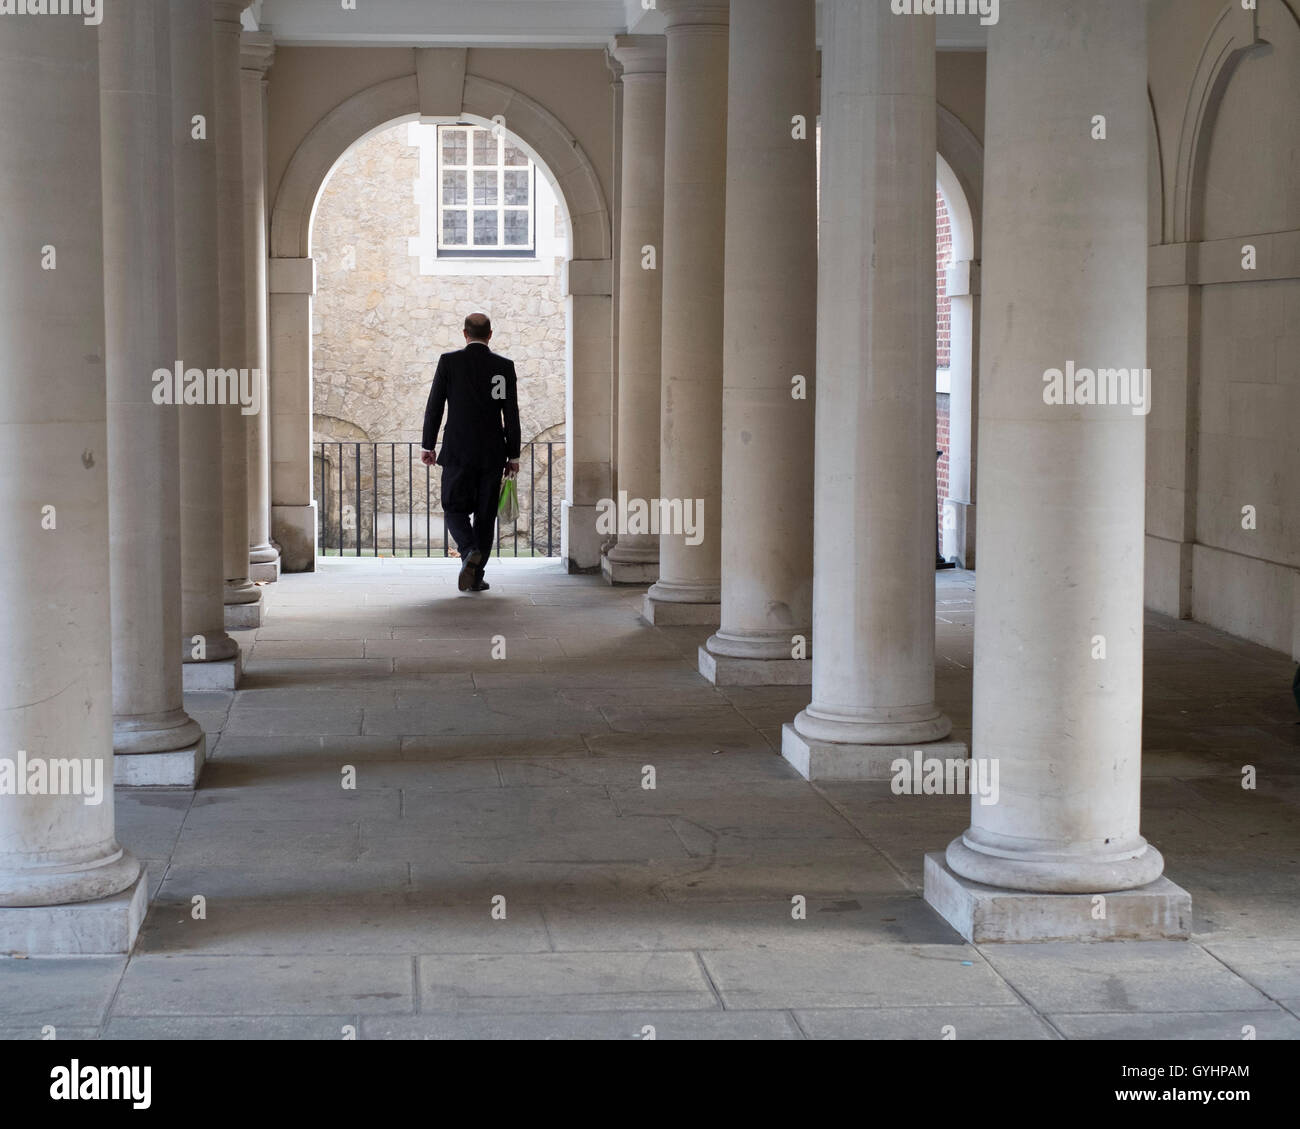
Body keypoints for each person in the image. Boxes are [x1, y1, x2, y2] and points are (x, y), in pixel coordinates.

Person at [420, 313, 521, 592]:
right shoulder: (503, 367)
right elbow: (510, 414)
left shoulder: (450, 362)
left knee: (454, 507)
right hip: (492, 452)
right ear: (490, 335)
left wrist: (428, 445)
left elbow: (435, 406)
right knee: (485, 515)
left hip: (458, 449)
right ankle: (476, 576)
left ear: (465, 334)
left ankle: (468, 551)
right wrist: (513, 456)